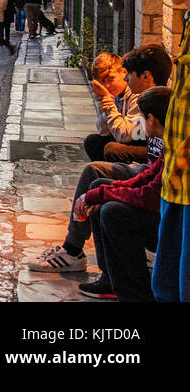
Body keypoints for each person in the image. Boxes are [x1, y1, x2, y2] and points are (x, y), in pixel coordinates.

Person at [29, 45, 173, 275]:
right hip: (150, 168)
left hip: (150, 170)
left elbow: (128, 136)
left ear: (145, 76)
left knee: (103, 175)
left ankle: (85, 256)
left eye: (126, 74)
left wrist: (108, 103)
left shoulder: (156, 104)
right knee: (96, 170)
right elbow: (105, 130)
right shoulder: (133, 97)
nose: (125, 78)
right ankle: (80, 253)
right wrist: (109, 104)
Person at [75, 86, 174, 301]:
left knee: (113, 212)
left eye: (142, 118)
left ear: (152, 119)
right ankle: (110, 279)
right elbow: (146, 178)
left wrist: (103, 196)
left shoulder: (175, 145)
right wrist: (100, 193)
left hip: (171, 223)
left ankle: (135, 294)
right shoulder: (168, 143)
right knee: (99, 185)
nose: (140, 122)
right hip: (159, 208)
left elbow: (149, 196)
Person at [154, 0, 190, 302]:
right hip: (176, 175)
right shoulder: (188, 20)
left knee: (181, 284)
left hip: (185, 173)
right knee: (166, 283)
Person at [83, 52, 141, 162]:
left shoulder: (136, 93)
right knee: (92, 141)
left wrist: (109, 105)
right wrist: (106, 106)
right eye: (103, 82)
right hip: (124, 137)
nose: (107, 86)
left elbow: (126, 136)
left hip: (139, 142)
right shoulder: (115, 94)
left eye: (110, 79)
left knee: (112, 149)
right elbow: (103, 131)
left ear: (124, 72)